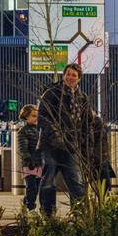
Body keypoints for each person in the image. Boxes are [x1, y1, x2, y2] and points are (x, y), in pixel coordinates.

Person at [36, 62, 91, 214]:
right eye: (68, 74)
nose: (70, 77)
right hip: (51, 145)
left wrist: (85, 143)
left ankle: (79, 213)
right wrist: (56, 135)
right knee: (48, 181)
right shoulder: (51, 93)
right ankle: (48, 214)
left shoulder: (82, 98)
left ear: (79, 78)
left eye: (74, 75)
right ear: (63, 75)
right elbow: (42, 118)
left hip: (72, 146)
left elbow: (86, 123)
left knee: (76, 182)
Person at [16, 104, 43, 211]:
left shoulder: (40, 129)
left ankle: (25, 202)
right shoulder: (23, 131)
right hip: (29, 164)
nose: (36, 118)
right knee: (31, 187)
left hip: (39, 163)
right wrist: (29, 160)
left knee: (36, 188)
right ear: (26, 117)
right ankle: (30, 208)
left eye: (37, 116)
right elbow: (23, 149)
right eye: (33, 116)